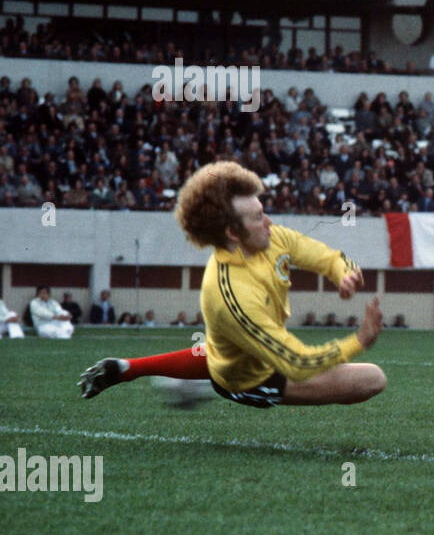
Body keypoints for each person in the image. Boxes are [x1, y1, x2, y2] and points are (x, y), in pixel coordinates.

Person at [79, 162, 386, 407]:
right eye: (257, 218)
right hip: (253, 381)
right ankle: (208, 386)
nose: (268, 223)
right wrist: (359, 340)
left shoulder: (269, 237)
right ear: (233, 233)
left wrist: (342, 272)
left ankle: (128, 368)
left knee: (223, 349)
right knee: (373, 379)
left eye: (263, 212)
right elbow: (297, 363)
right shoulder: (231, 294)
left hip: (246, 348)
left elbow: (322, 255)